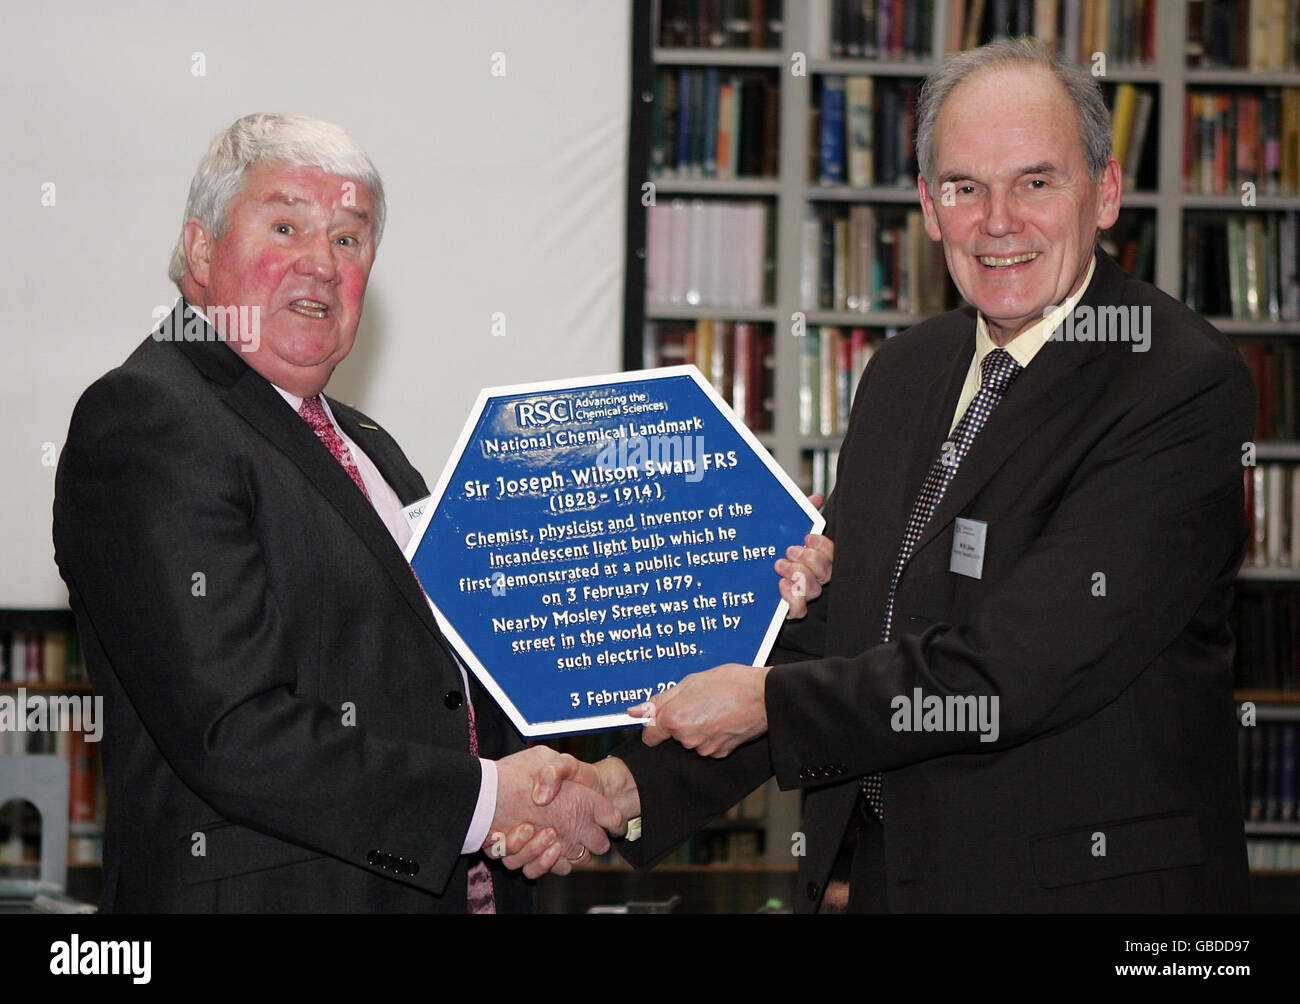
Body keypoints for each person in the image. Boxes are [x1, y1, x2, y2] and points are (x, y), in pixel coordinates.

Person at [518, 39, 1255, 912]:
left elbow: (1012, 674)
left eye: (1035, 181)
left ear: (1106, 192)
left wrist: (773, 705)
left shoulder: (1174, 380)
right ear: (927, 207)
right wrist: (625, 791)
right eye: (964, 186)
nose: (999, 220)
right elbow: (836, 631)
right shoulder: (906, 371)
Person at [53, 113, 629, 912]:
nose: (321, 265)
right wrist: (489, 802)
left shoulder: (369, 446)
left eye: (350, 240)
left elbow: (459, 680)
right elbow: (237, 733)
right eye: (286, 225)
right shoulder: (150, 417)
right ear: (200, 249)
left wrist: (736, 596)